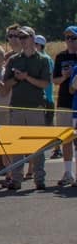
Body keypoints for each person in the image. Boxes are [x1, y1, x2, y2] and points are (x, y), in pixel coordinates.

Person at [2, 26, 51, 190]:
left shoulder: (42, 60)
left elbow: (44, 83)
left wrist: (26, 77)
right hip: (16, 107)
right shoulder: (14, 60)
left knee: (38, 145)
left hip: (35, 107)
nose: (22, 40)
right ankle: (16, 179)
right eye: (19, 37)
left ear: (33, 38)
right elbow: (5, 85)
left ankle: (39, 178)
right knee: (17, 146)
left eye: (25, 37)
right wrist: (17, 79)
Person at [51, 26, 77, 186]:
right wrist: (64, 76)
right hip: (64, 102)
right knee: (66, 139)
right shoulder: (60, 57)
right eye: (67, 38)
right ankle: (68, 172)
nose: (70, 41)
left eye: (73, 38)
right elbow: (54, 80)